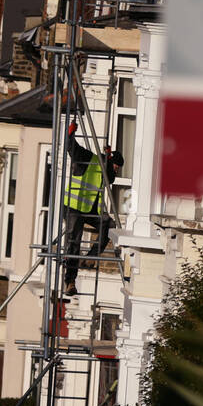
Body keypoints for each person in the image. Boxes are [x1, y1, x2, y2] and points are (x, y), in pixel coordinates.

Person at [61, 119, 124, 297]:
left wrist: (110, 159)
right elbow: (70, 147)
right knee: (74, 241)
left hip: (88, 211)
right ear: (110, 162)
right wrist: (70, 134)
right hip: (73, 208)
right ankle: (70, 282)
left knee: (110, 226)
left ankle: (89, 258)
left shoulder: (107, 170)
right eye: (116, 167)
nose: (116, 171)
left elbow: (110, 178)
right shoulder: (87, 158)